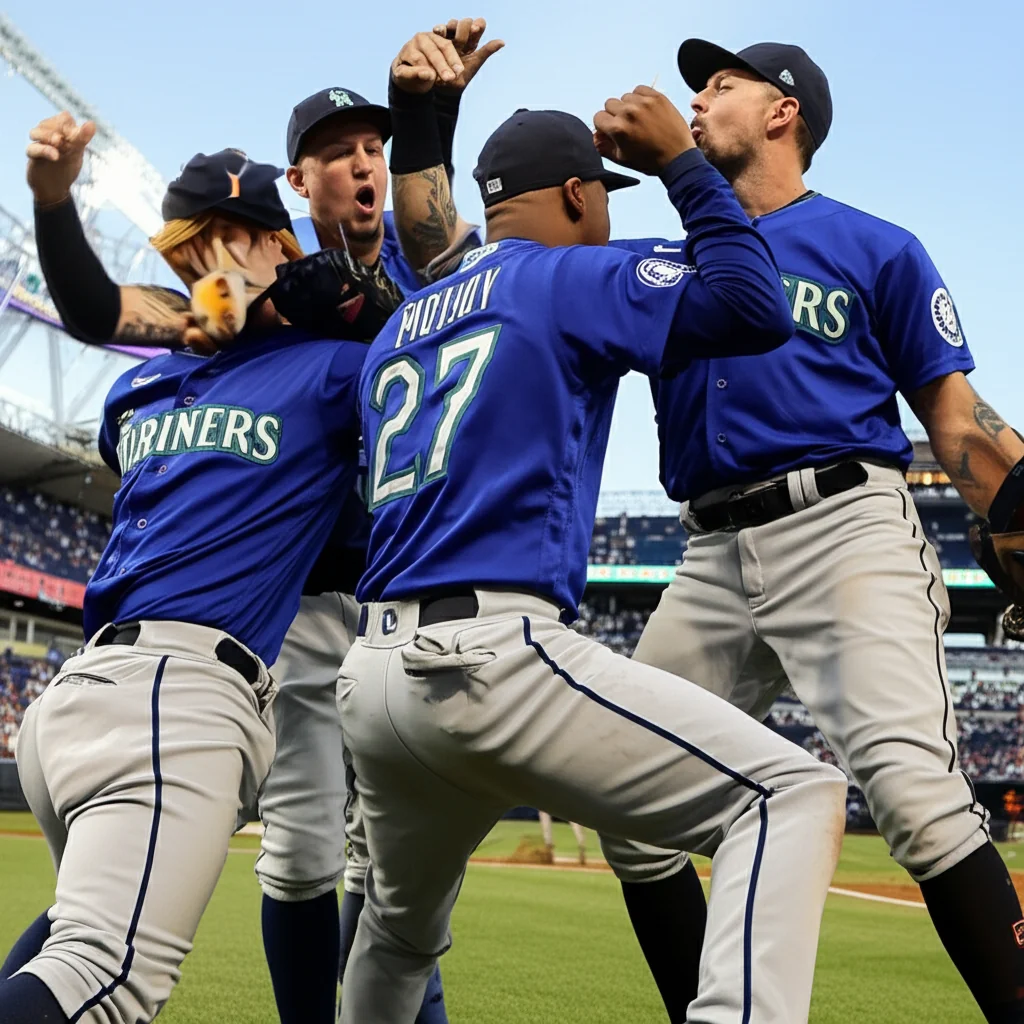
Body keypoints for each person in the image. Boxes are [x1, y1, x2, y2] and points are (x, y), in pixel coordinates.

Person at [335, 88, 848, 1024]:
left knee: (395, 940)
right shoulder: (562, 275)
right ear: (577, 195)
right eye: (603, 194)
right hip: (490, 654)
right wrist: (683, 170)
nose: (610, 211)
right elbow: (751, 304)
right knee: (793, 792)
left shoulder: (396, 331)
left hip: (371, 674)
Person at [600, 39, 1024, 1024]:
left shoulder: (872, 245)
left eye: (720, 85)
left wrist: (1016, 501)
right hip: (705, 551)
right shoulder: (670, 255)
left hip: (843, 527)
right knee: (627, 801)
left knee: (914, 800)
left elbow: (956, 424)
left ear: (783, 112)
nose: (698, 100)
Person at [0, 145, 384, 1024]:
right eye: (194, 250)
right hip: (176, 700)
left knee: (73, 933)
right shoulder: (314, 372)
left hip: (77, 705)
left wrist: (356, 302)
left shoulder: (142, 392)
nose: (207, 265)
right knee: (104, 974)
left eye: (226, 242)